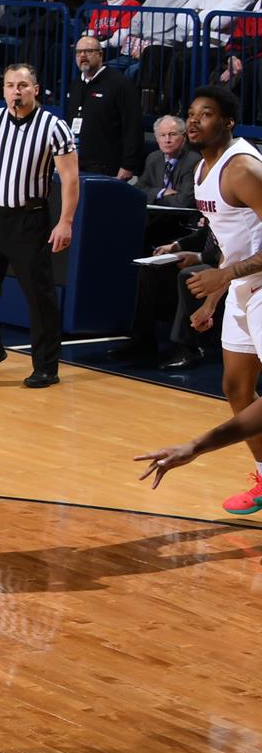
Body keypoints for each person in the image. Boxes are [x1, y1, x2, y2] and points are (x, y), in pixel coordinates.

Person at [138, 86, 262, 513]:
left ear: (227, 122)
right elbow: (236, 240)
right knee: (235, 387)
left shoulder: (243, 168)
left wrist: (223, 276)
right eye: (190, 113)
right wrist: (214, 296)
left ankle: (202, 448)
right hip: (244, 287)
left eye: (205, 114)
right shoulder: (202, 170)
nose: (194, 121)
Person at [0, 63, 79, 388]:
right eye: (10, 85)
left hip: (29, 219)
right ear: (3, 90)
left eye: (23, 85)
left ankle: (46, 366)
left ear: (35, 89)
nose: (16, 91)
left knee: (39, 296)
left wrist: (65, 221)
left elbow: (69, 177)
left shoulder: (54, 127)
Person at [64, 34, 141, 179]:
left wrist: (128, 165)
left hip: (107, 166)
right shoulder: (75, 85)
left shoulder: (119, 84)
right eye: (79, 52)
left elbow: (133, 126)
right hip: (76, 163)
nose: (83, 55)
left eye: (88, 51)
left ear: (100, 55)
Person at [134, 114, 200, 210]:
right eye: (162, 135)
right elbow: (137, 190)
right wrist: (161, 192)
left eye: (172, 134)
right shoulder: (153, 158)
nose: (167, 140)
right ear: (157, 138)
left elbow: (184, 202)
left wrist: (152, 198)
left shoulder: (193, 160)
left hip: (182, 220)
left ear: (184, 137)